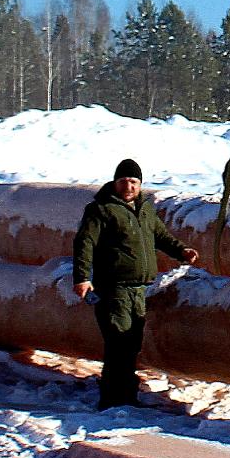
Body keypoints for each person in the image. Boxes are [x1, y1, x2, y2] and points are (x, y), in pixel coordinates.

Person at [73, 159, 199, 409]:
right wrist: (82, 277)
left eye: (134, 182)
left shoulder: (144, 208)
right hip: (114, 287)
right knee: (118, 341)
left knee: (131, 343)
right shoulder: (102, 209)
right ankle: (112, 399)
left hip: (138, 289)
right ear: (115, 182)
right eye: (124, 181)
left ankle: (126, 396)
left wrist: (181, 251)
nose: (129, 186)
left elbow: (159, 236)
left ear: (140, 185)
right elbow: (84, 242)